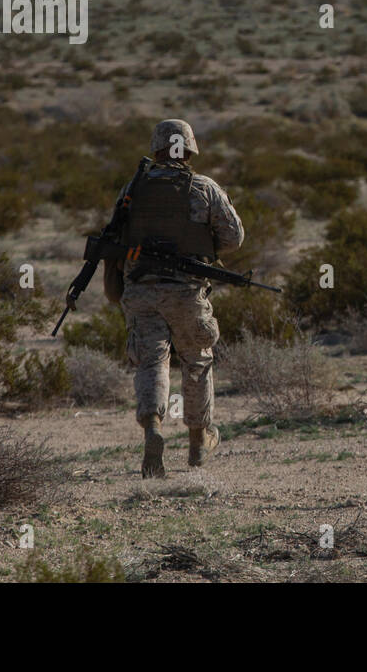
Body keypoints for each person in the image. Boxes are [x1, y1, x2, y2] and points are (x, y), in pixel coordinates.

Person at [111, 119, 244, 478]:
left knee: (151, 363)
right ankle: (198, 441)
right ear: (189, 148)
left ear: (155, 147)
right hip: (187, 292)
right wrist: (200, 248)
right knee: (197, 361)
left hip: (140, 289)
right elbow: (233, 238)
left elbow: (115, 236)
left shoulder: (133, 188)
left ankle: (153, 429)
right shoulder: (203, 187)